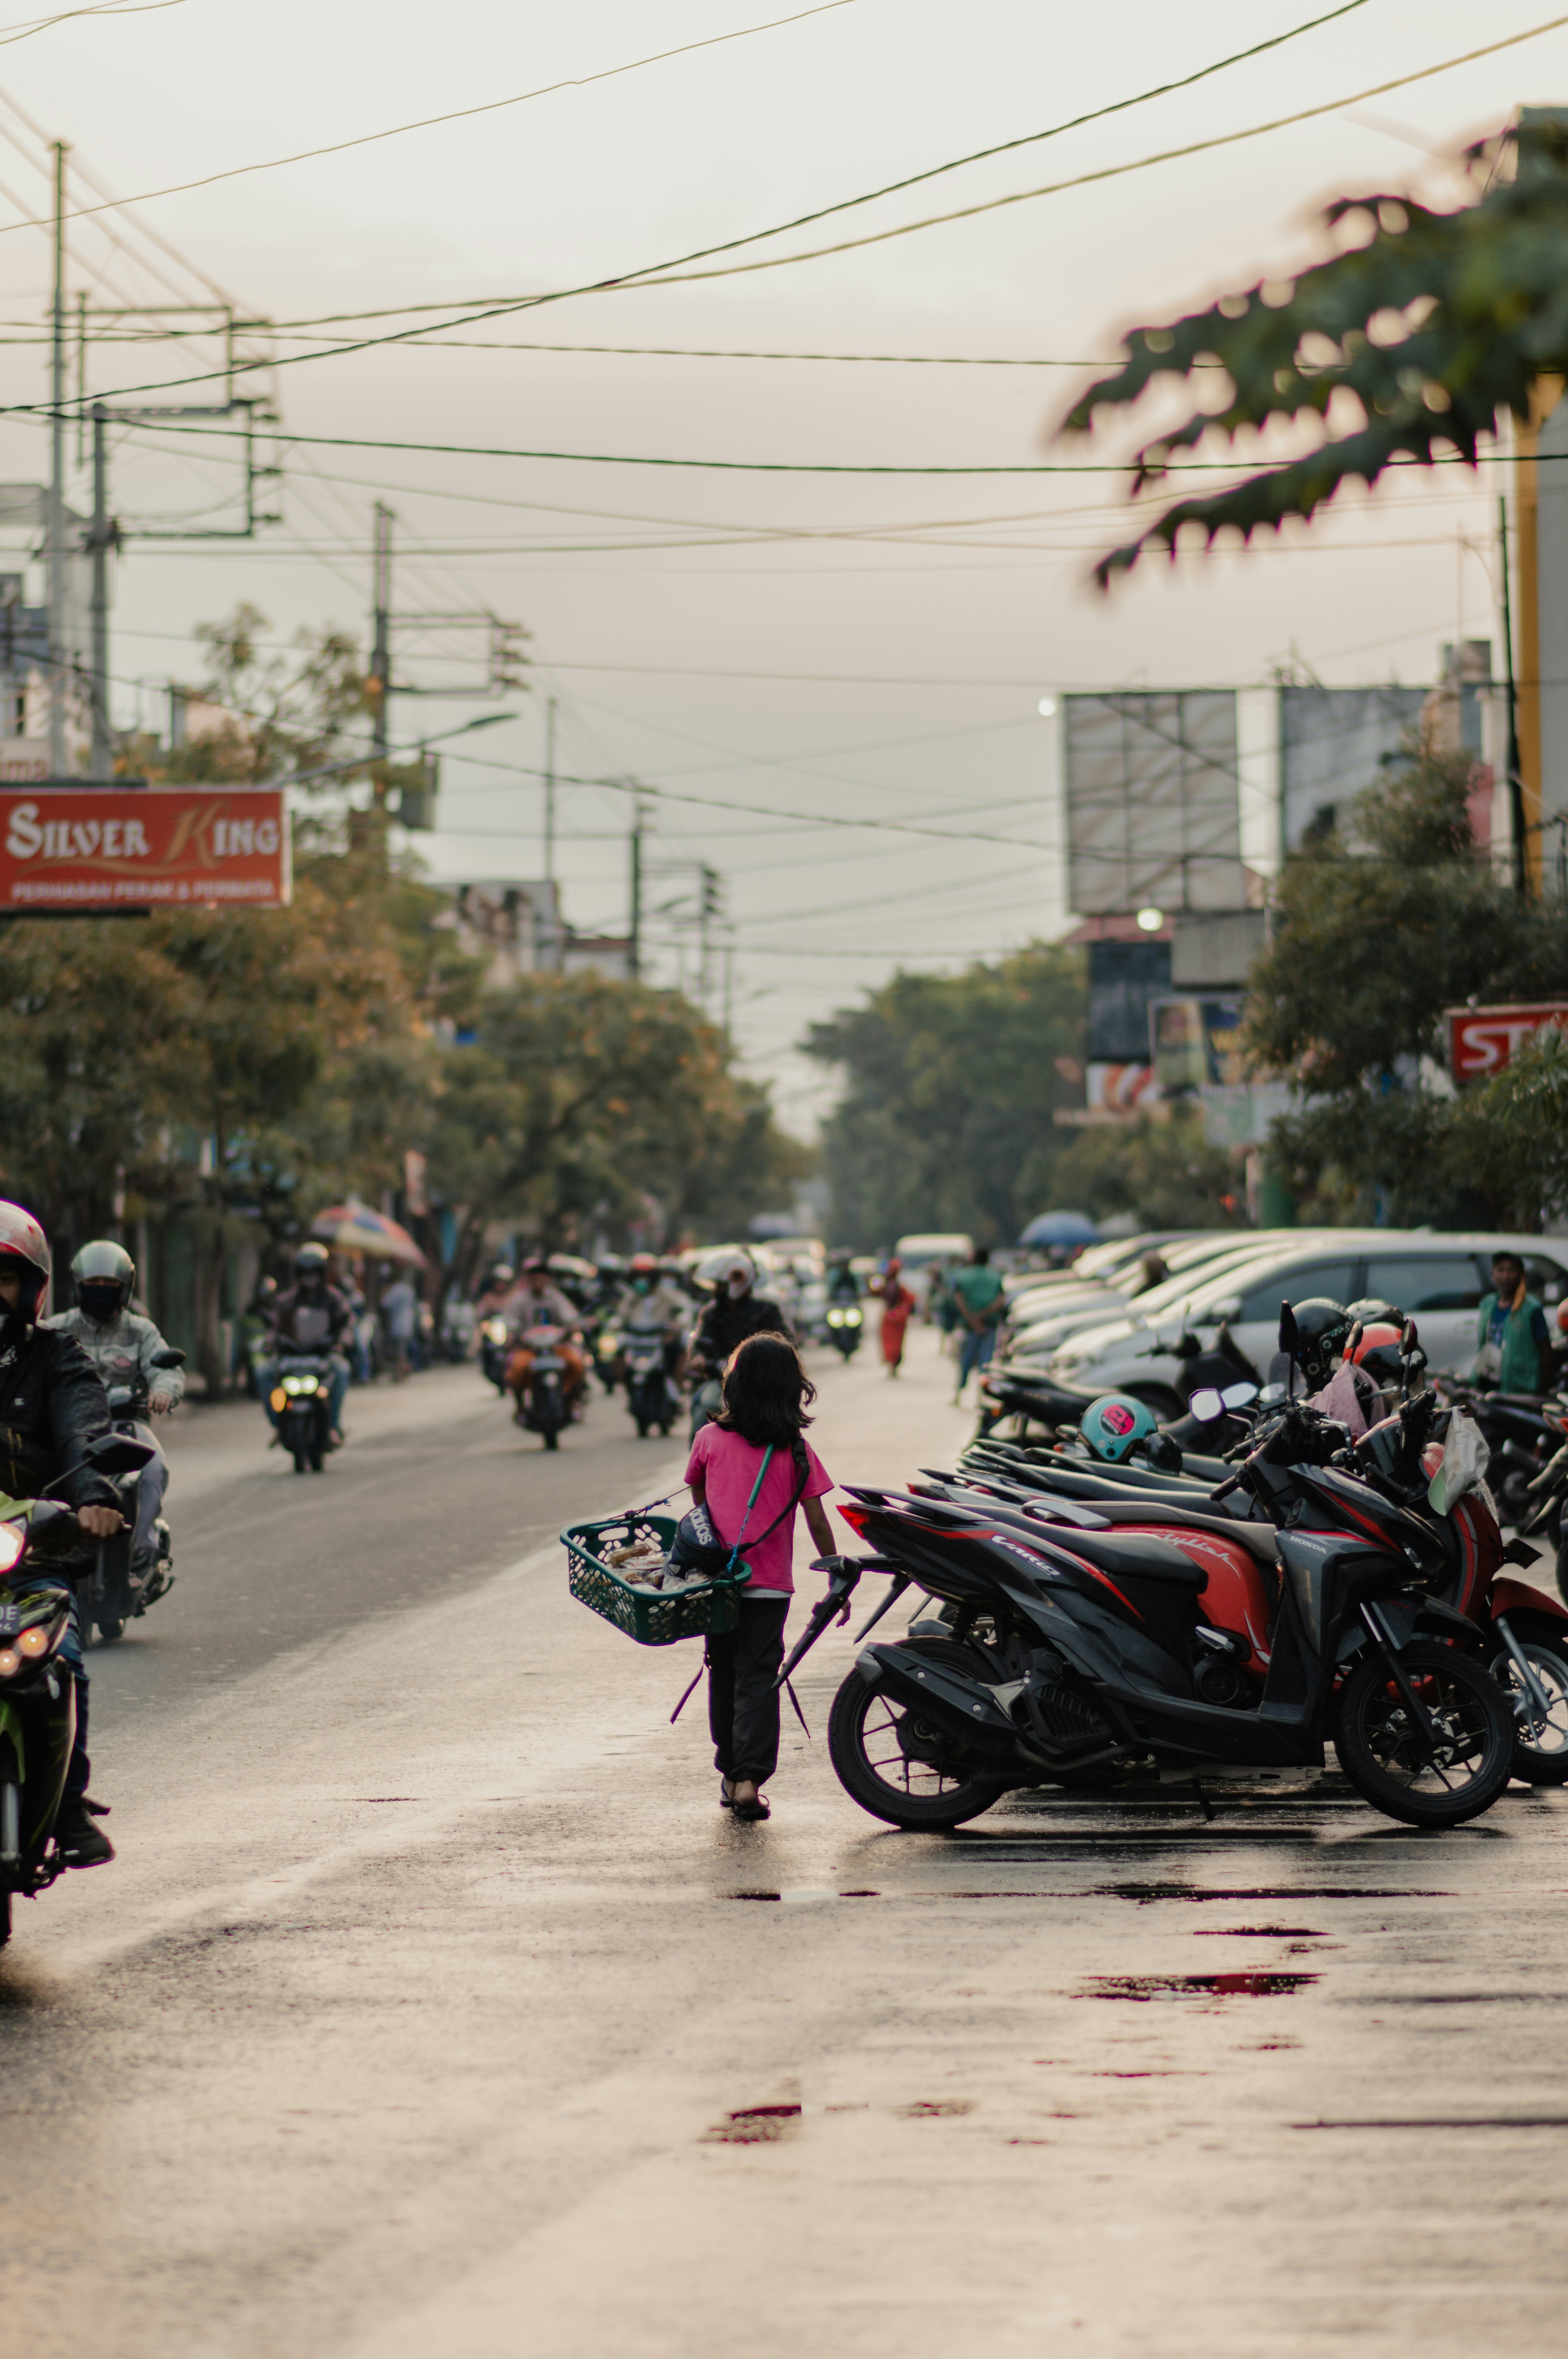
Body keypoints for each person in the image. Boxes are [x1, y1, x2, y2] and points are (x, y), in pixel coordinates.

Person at [0, 1204, 125, 1866]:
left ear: (33, 1287)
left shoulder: (57, 1357)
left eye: (5, 1279)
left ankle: (69, 1803)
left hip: (32, 1553)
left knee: (61, 1662)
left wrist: (96, 1497)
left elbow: (85, 1427)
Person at [686, 1331, 836, 1822]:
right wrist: (836, 1571)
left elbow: (699, 1501)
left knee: (722, 1671)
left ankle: (730, 1772)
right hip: (770, 1587)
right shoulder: (796, 1451)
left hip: (718, 1584)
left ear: (736, 1385)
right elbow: (816, 1520)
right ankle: (749, 1778)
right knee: (758, 1678)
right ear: (791, 1389)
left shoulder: (708, 1439)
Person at [45, 1240, 182, 1588]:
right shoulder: (57, 1327)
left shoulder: (141, 1330)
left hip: (127, 1425)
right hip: (69, 1427)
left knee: (155, 1468)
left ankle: (144, 1540)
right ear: (78, 1286)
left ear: (125, 1289)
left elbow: (165, 1367)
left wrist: (164, 1391)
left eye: (110, 1286)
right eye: (94, 1285)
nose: (101, 1292)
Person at [687, 1250, 789, 1437]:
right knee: (705, 1404)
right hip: (721, 1380)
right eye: (718, 1285)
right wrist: (699, 1357)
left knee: (783, 1415)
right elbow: (702, 1342)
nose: (717, 1289)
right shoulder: (712, 1314)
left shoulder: (766, 1311)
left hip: (761, 1383)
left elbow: (786, 1343)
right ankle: (701, 1458)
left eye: (722, 1285)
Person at [263, 1243, 353, 1446]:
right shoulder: (286, 1301)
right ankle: (279, 1425)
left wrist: (343, 1342)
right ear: (298, 1275)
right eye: (305, 1273)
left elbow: (346, 1324)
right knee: (263, 1373)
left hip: (323, 1354)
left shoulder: (334, 1299)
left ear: (322, 1274)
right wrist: (270, 1342)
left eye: (314, 1273)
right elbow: (273, 1327)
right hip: (291, 1356)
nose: (309, 1278)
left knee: (342, 1370)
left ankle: (333, 1426)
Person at [505, 1258, 589, 1419]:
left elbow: (571, 1318)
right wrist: (511, 1337)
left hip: (556, 1348)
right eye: (534, 1278)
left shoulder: (557, 1298)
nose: (538, 1281)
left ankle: (571, 1402)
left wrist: (573, 1327)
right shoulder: (519, 1301)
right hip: (529, 1349)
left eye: (541, 1277)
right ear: (528, 1280)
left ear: (548, 1280)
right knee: (515, 1369)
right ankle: (521, 1407)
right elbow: (511, 1324)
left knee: (578, 1364)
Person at [1475, 1251, 1553, 1394]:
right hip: (1490, 1383)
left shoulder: (1531, 1308)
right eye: (1501, 1270)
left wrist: (1543, 1390)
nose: (1505, 1276)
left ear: (1521, 1275)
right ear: (1493, 1274)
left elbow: (1546, 1351)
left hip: (1520, 1389)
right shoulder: (1488, 1304)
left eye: (1511, 1271)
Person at [951, 1245, 1007, 1399]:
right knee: (986, 1361)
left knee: (966, 1360)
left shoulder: (962, 1276)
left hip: (969, 1326)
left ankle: (958, 1394)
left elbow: (958, 1299)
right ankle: (982, 1396)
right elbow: (1001, 1300)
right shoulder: (996, 1276)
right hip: (990, 1324)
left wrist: (973, 1319)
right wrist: (983, 1316)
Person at [877, 1256, 915, 1378]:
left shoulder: (894, 1285)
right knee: (893, 1344)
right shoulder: (888, 1284)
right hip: (894, 1318)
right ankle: (892, 1365)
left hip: (892, 1317)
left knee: (893, 1344)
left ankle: (892, 1365)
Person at [381, 1273, 420, 1382]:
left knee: (399, 1352)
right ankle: (403, 1370)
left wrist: (384, 1292)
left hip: (398, 1325)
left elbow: (385, 1304)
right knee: (403, 1351)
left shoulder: (395, 1290)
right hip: (409, 1324)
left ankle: (400, 1373)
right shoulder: (409, 1290)